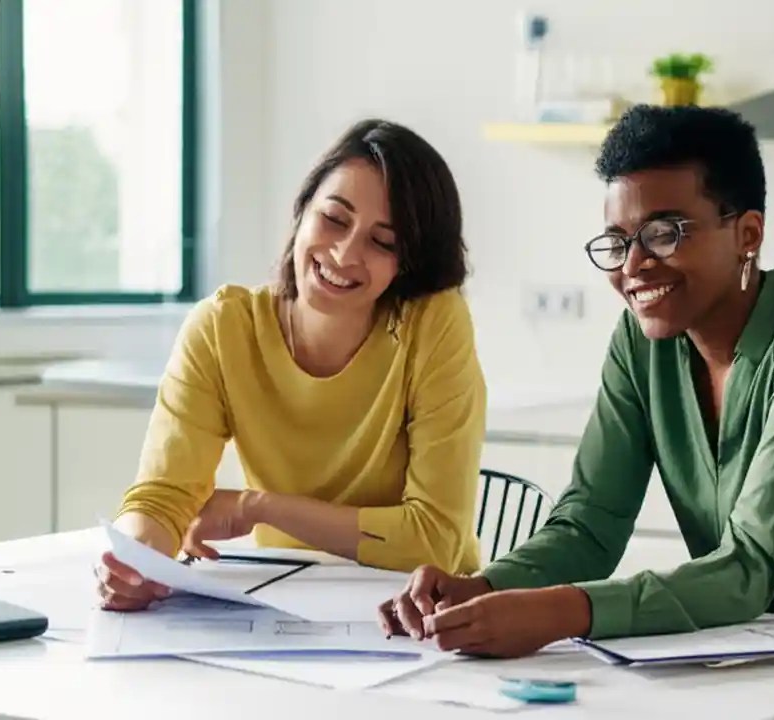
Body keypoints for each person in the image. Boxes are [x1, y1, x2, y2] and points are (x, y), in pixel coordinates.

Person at [378, 105, 774, 720]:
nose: (634, 266)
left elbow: (746, 570)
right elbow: (590, 524)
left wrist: (555, 612)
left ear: (747, 234)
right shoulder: (642, 344)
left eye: (665, 234)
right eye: (619, 241)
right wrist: (483, 589)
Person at [95, 118, 487, 611]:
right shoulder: (223, 328)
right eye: (335, 219)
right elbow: (161, 499)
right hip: (284, 599)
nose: (344, 253)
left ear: (407, 263)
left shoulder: (433, 323)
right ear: (302, 211)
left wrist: (257, 508)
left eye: (382, 242)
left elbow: (436, 542)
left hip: (418, 607)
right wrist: (134, 562)